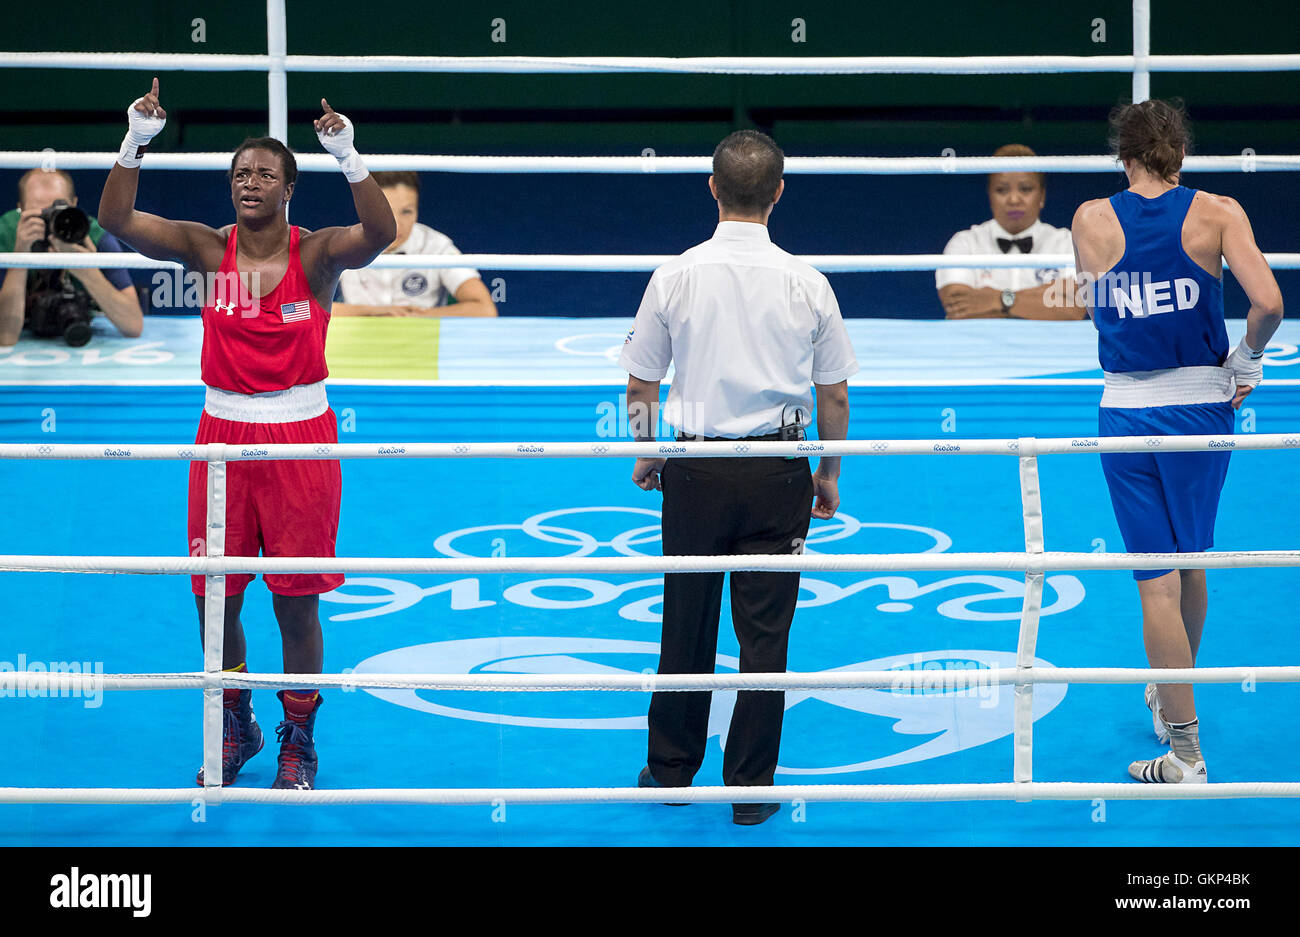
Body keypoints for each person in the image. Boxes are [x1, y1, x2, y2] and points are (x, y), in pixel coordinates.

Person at [98, 79, 396, 791]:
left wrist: (349, 156)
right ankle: (238, 720)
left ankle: (300, 738)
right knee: (214, 598)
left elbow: (381, 234)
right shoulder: (207, 248)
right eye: (239, 172)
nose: (249, 181)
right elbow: (117, 219)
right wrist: (136, 139)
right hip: (222, 435)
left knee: (296, 600)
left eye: (264, 171)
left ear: (291, 185)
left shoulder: (317, 254)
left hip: (300, 437)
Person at [620, 129, 857, 825]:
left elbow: (641, 383)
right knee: (765, 633)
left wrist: (647, 450)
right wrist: (829, 471)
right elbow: (835, 394)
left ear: (713, 187)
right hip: (778, 469)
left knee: (685, 622)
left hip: (695, 467)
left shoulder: (675, 274)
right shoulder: (808, 281)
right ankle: (750, 787)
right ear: (779, 192)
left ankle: (670, 770)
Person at [1071, 98, 1283, 784]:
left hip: (1127, 408)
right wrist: (1246, 361)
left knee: (1155, 584)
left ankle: (1186, 753)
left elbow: (1093, 306)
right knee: (1191, 563)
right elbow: (1270, 304)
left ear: (1122, 156)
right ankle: (1174, 699)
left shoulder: (1090, 219)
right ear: (1181, 155)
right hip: (1203, 407)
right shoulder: (1219, 211)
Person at [937, 144, 1083, 320]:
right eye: (1002, 190)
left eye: (1025, 189)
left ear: (1042, 196)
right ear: (989, 196)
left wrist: (999, 299)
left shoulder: (1066, 242)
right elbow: (957, 309)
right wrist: (1043, 301)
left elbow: (1073, 309)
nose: (1014, 199)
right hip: (978, 346)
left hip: (1049, 346)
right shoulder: (965, 243)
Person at [0, 168, 143, 345]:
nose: (51, 220)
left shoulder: (95, 236)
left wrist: (87, 271)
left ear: (74, 204)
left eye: (58, 209)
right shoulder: (5, 234)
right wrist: (20, 255)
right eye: (41, 212)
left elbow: (133, 326)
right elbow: (5, 337)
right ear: (20, 209)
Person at [334, 171, 496, 317]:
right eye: (385, 211)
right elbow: (309, 309)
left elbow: (484, 309)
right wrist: (374, 313)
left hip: (423, 342)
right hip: (358, 341)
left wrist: (417, 317)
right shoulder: (342, 245)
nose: (397, 224)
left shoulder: (436, 246)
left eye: (407, 211)